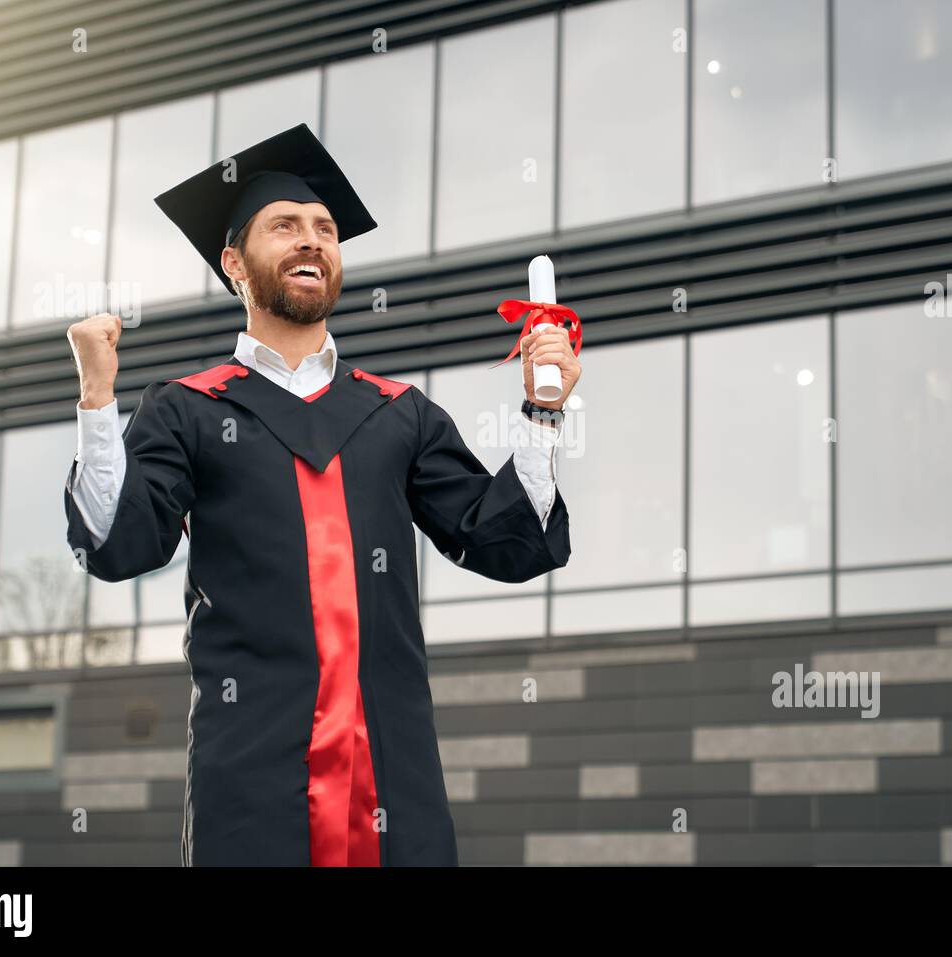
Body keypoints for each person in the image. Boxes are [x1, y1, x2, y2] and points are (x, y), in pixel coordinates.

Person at [62, 124, 580, 866]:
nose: (311, 241)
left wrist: (541, 412)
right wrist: (96, 396)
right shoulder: (187, 408)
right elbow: (115, 543)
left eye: (325, 230)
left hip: (393, 771)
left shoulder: (398, 410)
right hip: (250, 775)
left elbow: (506, 541)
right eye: (285, 227)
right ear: (234, 261)